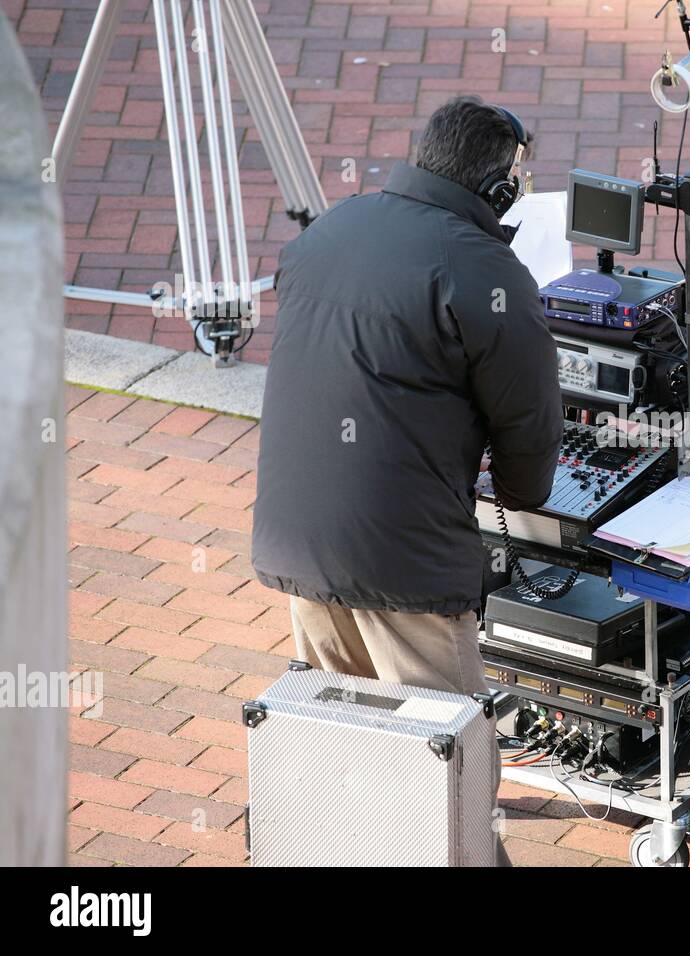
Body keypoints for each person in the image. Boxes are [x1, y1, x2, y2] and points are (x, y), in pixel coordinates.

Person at [251, 96, 563, 864]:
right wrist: (523, 495)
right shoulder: (488, 269)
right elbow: (529, 440)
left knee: (340, 738)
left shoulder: (330, 228)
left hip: (298, 540)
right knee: (446, 756)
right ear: (497, 190)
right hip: (406, 561)